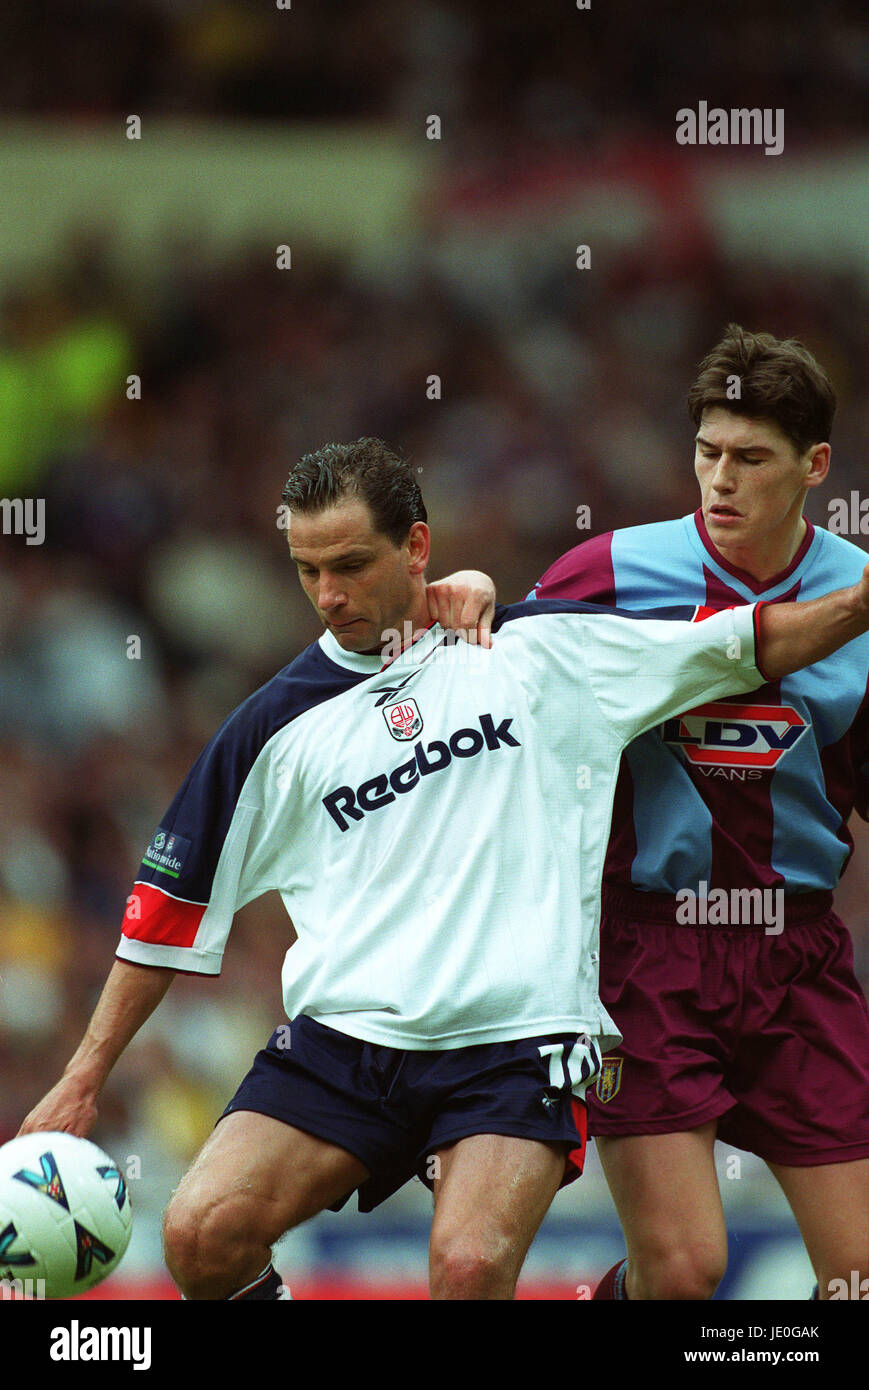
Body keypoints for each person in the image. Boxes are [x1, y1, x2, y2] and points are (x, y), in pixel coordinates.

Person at [19, 435, 869, 1301]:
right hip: (344, 1044)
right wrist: (82, 1080)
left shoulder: (539, 651)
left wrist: (861, 601)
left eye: (350, 564)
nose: (329, 595)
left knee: (469, 1267)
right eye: (307, 570)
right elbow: (164, 913)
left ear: (417, 546)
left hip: (516, 1043)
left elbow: (742, 643)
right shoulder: (266, 732)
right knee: (200, 1235)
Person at [433, 326, 869, 1301]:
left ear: (814, 467)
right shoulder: (611, 573)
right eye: (707, 452)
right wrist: (471, 604)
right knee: (683, 1274)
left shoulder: (855, 592)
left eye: (750, 458)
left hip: (798, 955)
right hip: (648, 956)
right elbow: (500, 708)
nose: (720, 480)